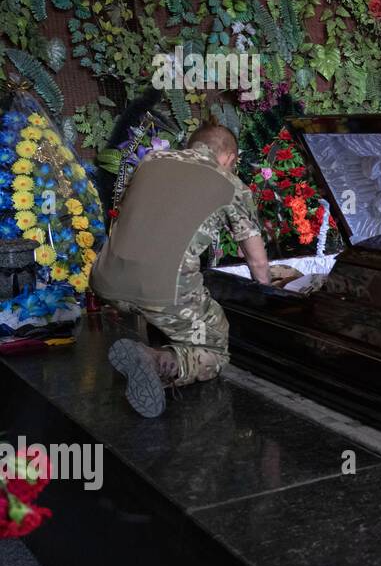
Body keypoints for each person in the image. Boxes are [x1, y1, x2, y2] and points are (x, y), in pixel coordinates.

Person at [92, 123, 271, 417]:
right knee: (215, 345)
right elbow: (258, 262)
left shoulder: (150, 161)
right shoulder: (232, 184)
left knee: (168, 304)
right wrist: (267, 298)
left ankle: (158, 349)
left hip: (106, 281)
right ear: (230, 158)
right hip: (164, 293)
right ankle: (158, 361)